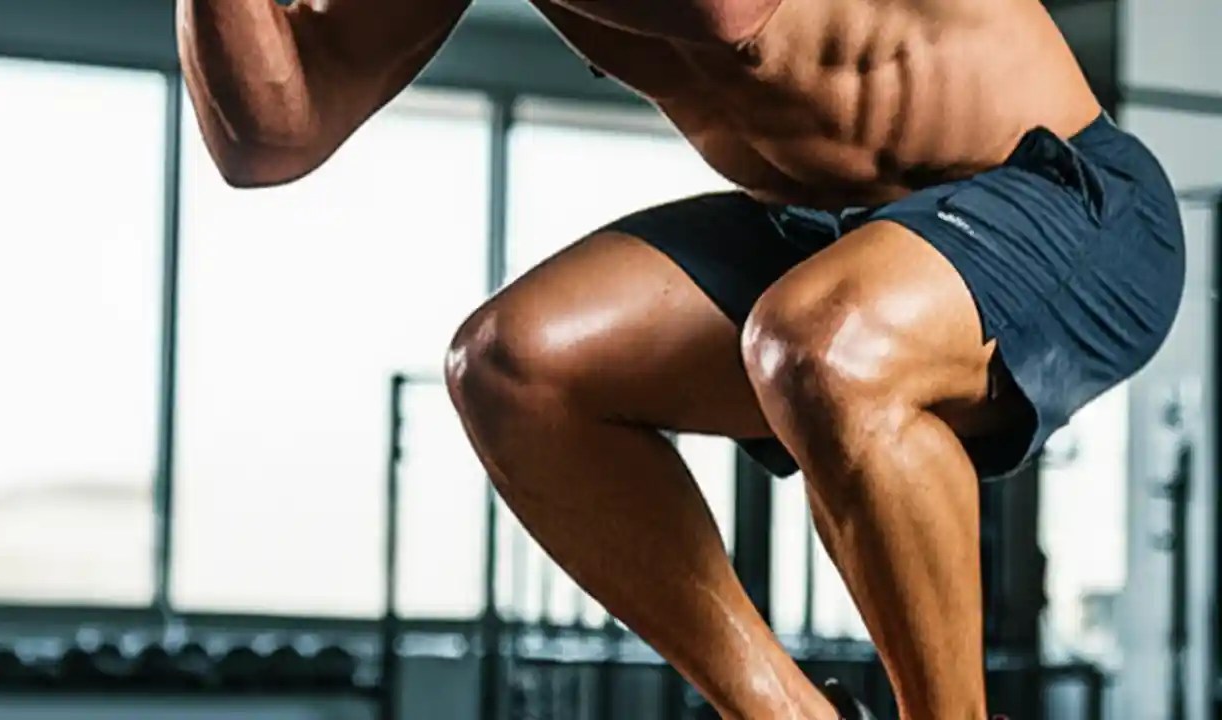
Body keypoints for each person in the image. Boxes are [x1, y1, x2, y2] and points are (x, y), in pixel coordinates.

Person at [178, 0, 1185, 717]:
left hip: (1067, 197)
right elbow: (269, 134)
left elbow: (725, 13)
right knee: (512, 368)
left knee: (819, 342)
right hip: (825, 235)